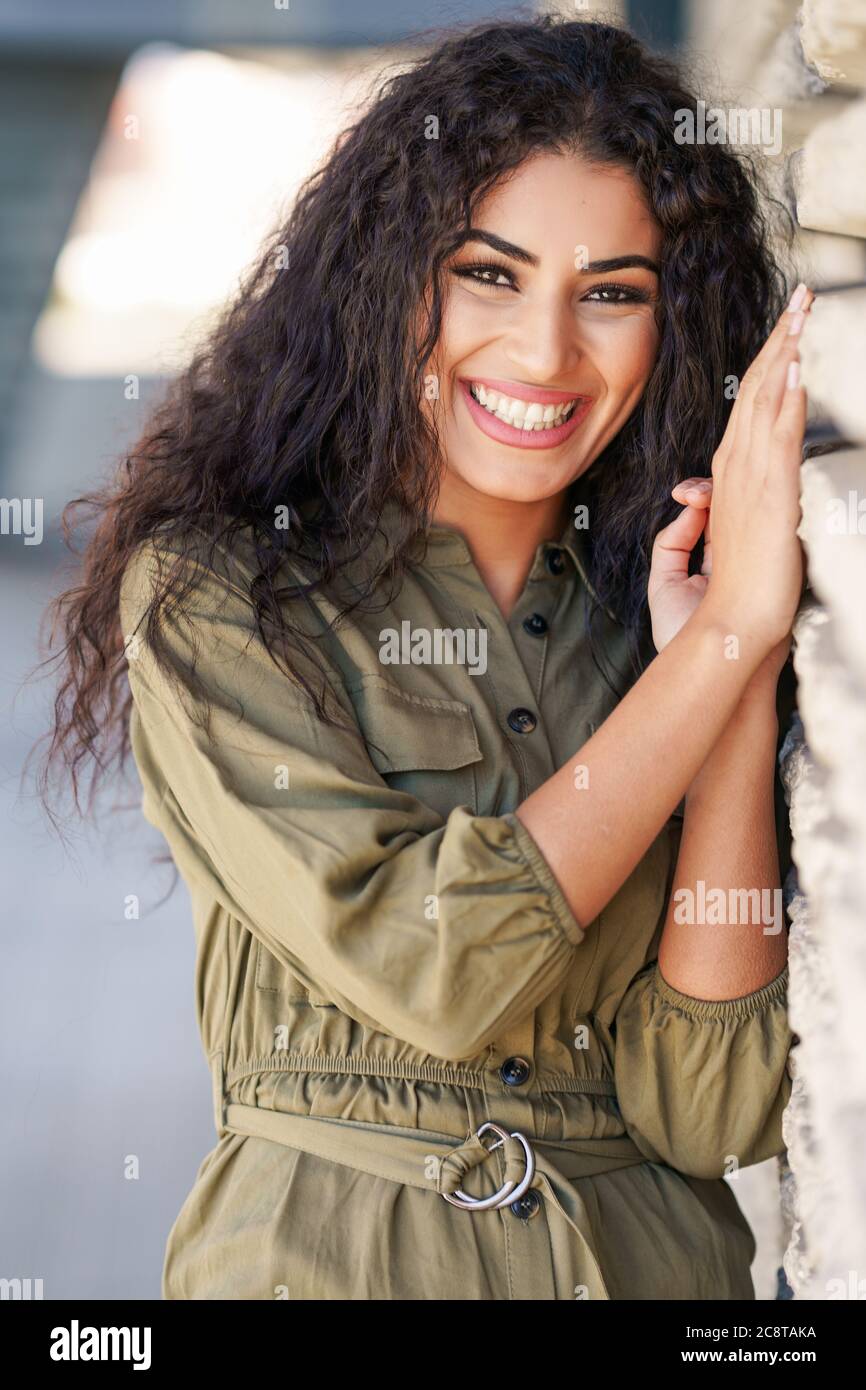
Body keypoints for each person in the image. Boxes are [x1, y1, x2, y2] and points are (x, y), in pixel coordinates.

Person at [43, 13, 810, 1299]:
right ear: (389, 274)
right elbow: (431, 966)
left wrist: (726, 667)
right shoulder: (218, 595)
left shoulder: (657, 619)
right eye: (488, 275)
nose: (545, 352)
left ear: (671, 325)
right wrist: (720, 646)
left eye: (611, 293)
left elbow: (712, 1113)